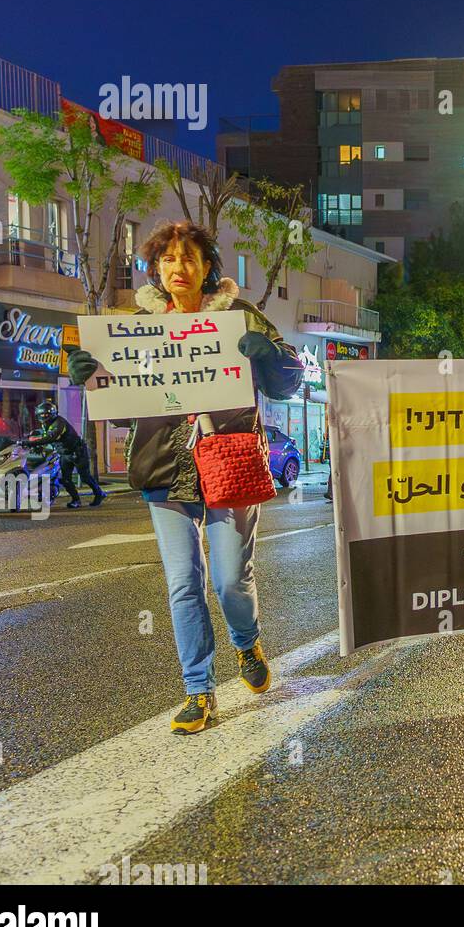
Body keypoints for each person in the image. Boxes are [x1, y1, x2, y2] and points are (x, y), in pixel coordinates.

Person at [66, 220, 302, 735]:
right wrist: (89, 375)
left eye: (190, 257)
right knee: (182, 583)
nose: (179, 267)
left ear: (207, 267)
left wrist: (273, 358)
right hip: (163, 468)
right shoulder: (133, 327)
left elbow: (288, 383)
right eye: (169, 259)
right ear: (155, 268)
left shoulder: (241, 318)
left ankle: (247, 644)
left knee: (229, 579)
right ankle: (199, 690)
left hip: (230, 462)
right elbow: (123, 404)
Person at [28, 398, 105, 508]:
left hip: (77, 452)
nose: (44, 417)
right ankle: (76, 500)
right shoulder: (45, 425)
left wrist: (32, 443)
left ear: (53, 413)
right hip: (64, 453)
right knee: (65, 479)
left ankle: (99, 493)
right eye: (42, 415)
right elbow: (46, 437)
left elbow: (51, 437)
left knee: (85, 477)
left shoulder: (59, 423)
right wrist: (36, 444)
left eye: (46, 415)